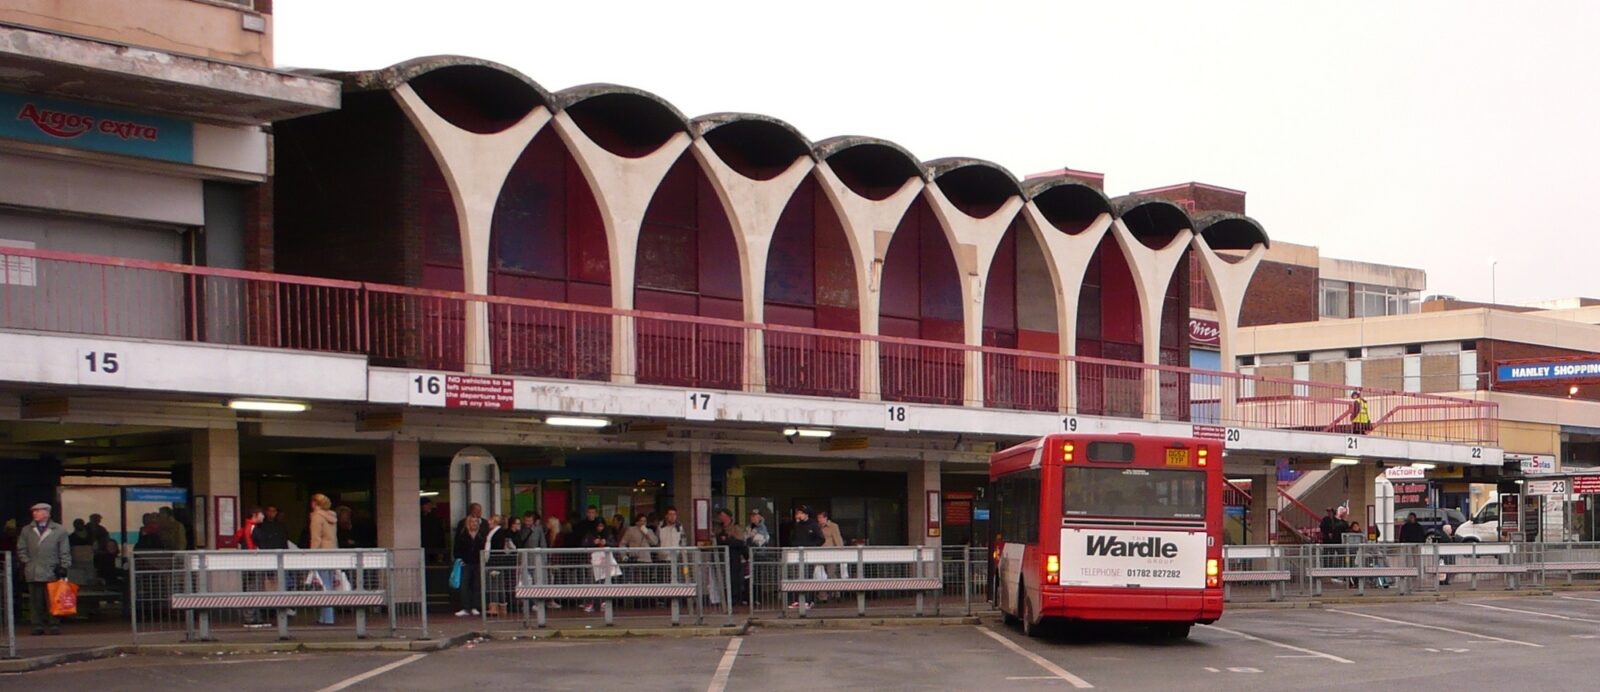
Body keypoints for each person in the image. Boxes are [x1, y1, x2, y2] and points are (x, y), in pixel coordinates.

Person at [17, 503, 71, 636]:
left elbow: (64, 550)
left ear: (47, 513)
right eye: (34, 511)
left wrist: (64, 566)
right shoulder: (27, 530)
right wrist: (27, 561)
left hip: (52, 569)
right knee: (35, 601)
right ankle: (37, 625)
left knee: (53, 599)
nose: (34, 513)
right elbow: (21, 548)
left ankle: (54, 624)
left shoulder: (59, 530)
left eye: (38, 511)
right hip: (33, 570)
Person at [308, 493, 340, 625]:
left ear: (315, 504)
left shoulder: (316, 517)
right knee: (328, 584)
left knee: (323, 586)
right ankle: (325, 617)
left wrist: (312, 555)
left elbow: (316, 538)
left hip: (321, 554)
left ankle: (327, 618)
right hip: (332, 552)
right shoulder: (332, 517)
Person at [788, 506, 824, 609]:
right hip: (798, 556)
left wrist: (812, 547)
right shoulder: (797, 526)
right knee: (797, 577)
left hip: (809, 555)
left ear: (806, 514)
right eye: (798, 513)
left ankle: (809, 600)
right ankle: (798, 600)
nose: (799, 515)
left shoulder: (813, 525)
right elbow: (792, 538)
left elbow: (821, 539)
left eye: (801, 513)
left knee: (808, 577)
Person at [712, 509, 748, 606]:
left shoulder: (736, 528)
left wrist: (727, 540)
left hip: (734, 557)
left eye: (722, 515)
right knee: (722, 578)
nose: (720, 518)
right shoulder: (718, 528)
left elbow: (741, 542)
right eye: (720, 516)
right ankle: (723, 598)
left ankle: (735, 598)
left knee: (734, 578)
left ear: (728, 516)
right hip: (721, 557)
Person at [453, 515, 486, 617]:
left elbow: (485, 548)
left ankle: (475, 607)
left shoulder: (481, 534)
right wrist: (460, 559)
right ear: (468, 523)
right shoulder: (462, 534)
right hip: (465, 563)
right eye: (472, 522)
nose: (474, 524)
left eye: (476, 522)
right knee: (464, 585)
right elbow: (456, 548)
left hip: (478, 563)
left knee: (477, 585)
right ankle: (465, 607)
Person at [420, 499, 447, 564]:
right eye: (427, 505)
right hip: (422, 547)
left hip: (434, 547)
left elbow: (440, 535)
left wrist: (441, 550)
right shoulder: (418, 518)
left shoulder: (435, 518)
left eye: (430, 505)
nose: (429, 507)